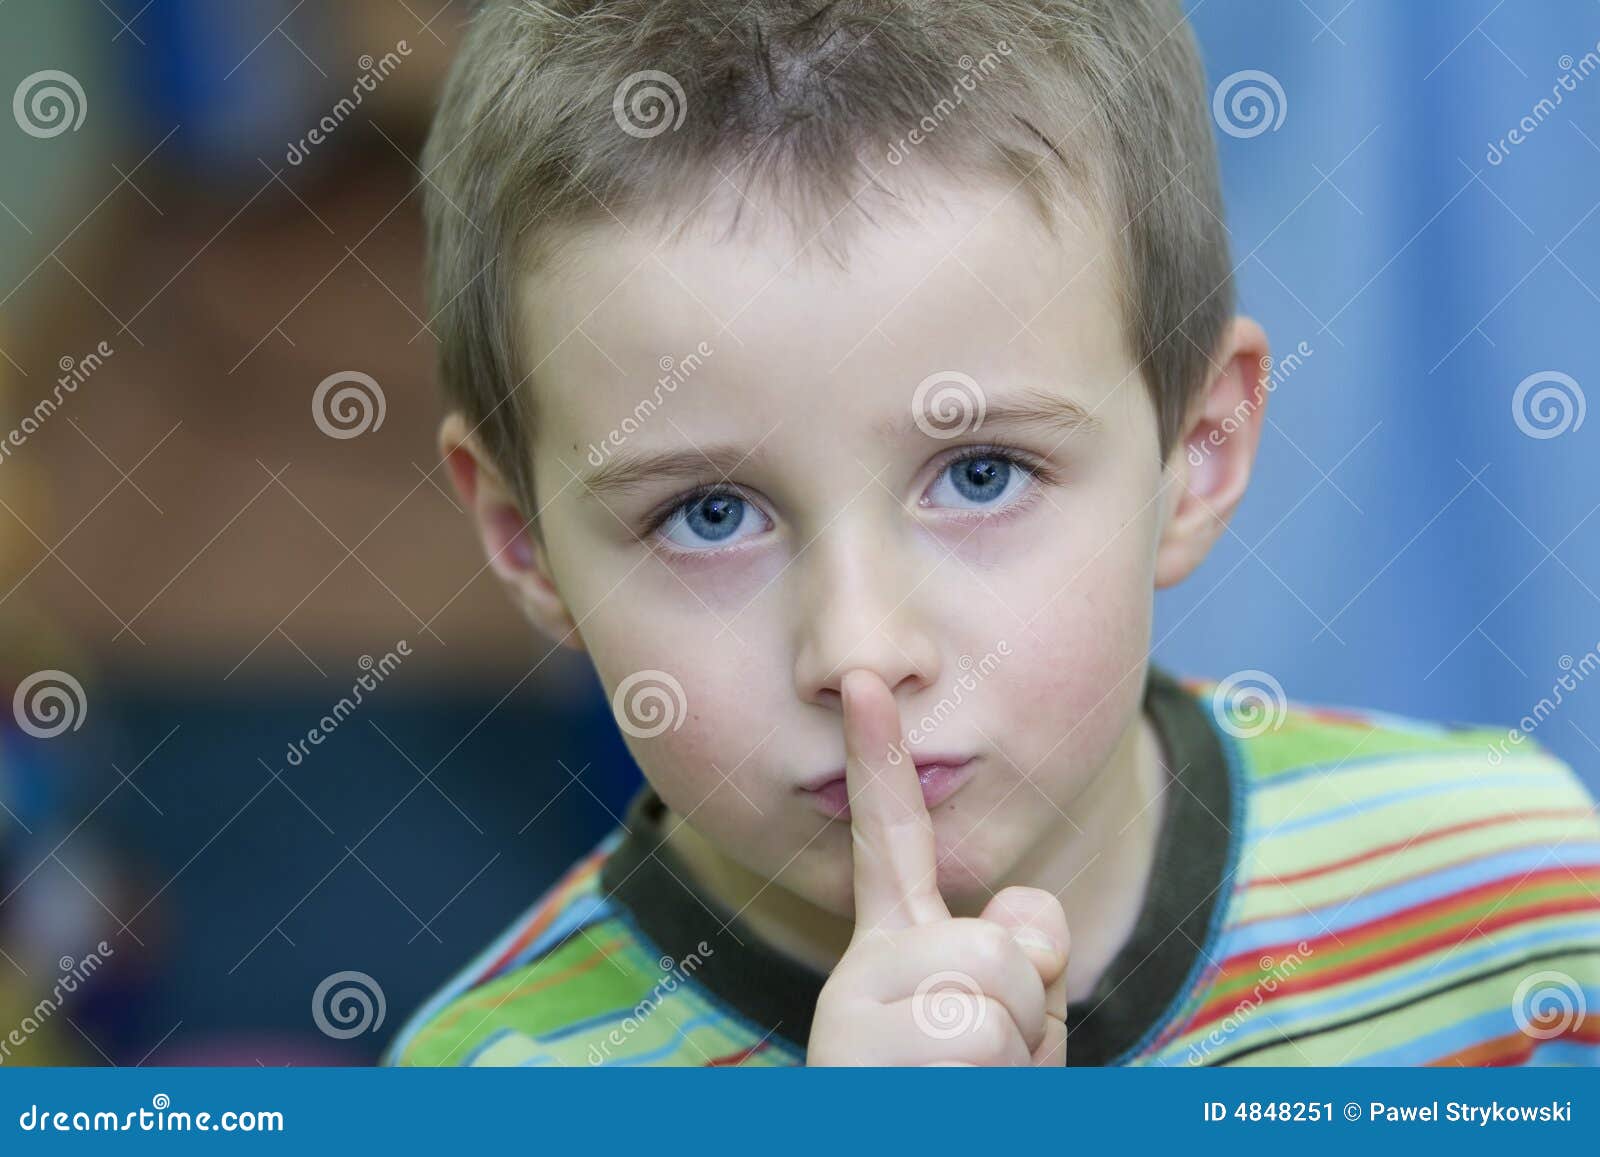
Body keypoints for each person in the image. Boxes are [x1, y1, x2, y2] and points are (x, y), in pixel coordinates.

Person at [384, 0, 1600, 1066]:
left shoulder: (1513, 891)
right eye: (709, 513)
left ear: (1199, 454)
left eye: (978, 474)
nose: (859, 649)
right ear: (525, 537)